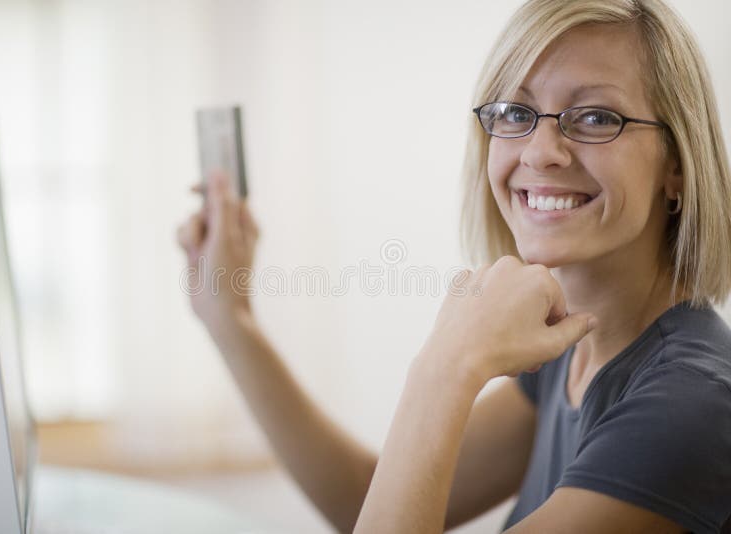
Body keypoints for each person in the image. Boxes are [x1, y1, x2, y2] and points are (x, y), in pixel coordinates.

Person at [177, 0, 731, 532]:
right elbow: (364, 501)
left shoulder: (690, 404)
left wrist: (447, 366)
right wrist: (230, 321)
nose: (540, 152)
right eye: (516, 112)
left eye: (593, 116)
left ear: (676, 166)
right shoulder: (571, 351)